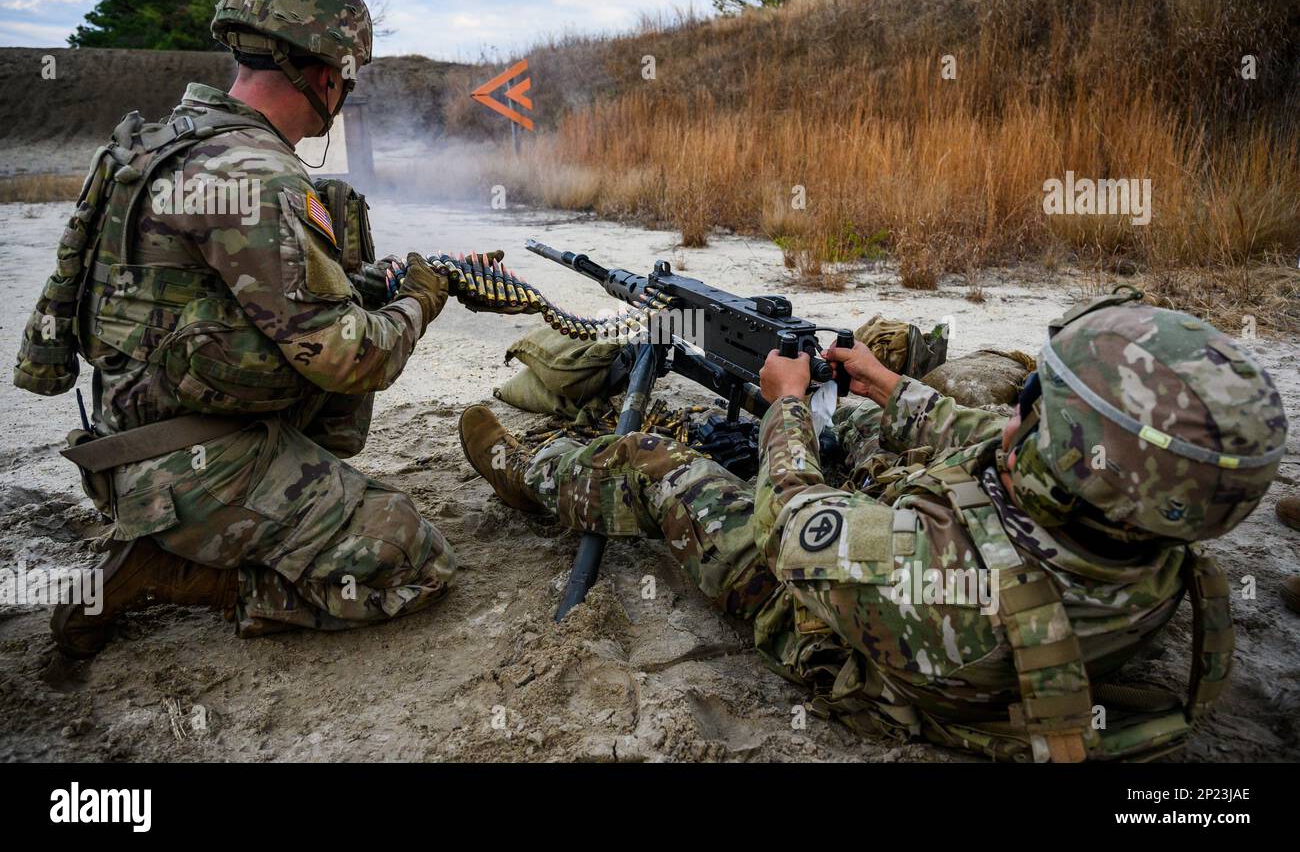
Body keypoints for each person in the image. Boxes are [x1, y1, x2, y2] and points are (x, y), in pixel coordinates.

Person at [458, 289, 1287, 761]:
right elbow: (995, 446)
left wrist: (787, 408)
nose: (1020, 415)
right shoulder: (1143, 530)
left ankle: (523, 470)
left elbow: (794, 519)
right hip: (970, 600)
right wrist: (888, 390)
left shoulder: (937, 579)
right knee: (849, 431)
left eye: (1041, 408)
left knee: (665, 470)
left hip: (849, 632)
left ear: (1072, 451)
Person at [14, 0, 455, 657]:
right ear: (323, 74)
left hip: (127, 440)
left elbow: (223, 305)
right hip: (182, 467)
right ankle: (186, 574)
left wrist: (366, 287)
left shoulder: (160, 143)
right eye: (346, 77)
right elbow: (351, 360)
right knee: (410, 554)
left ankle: (216, 528)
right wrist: (422, 301)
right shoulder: (257, 175)